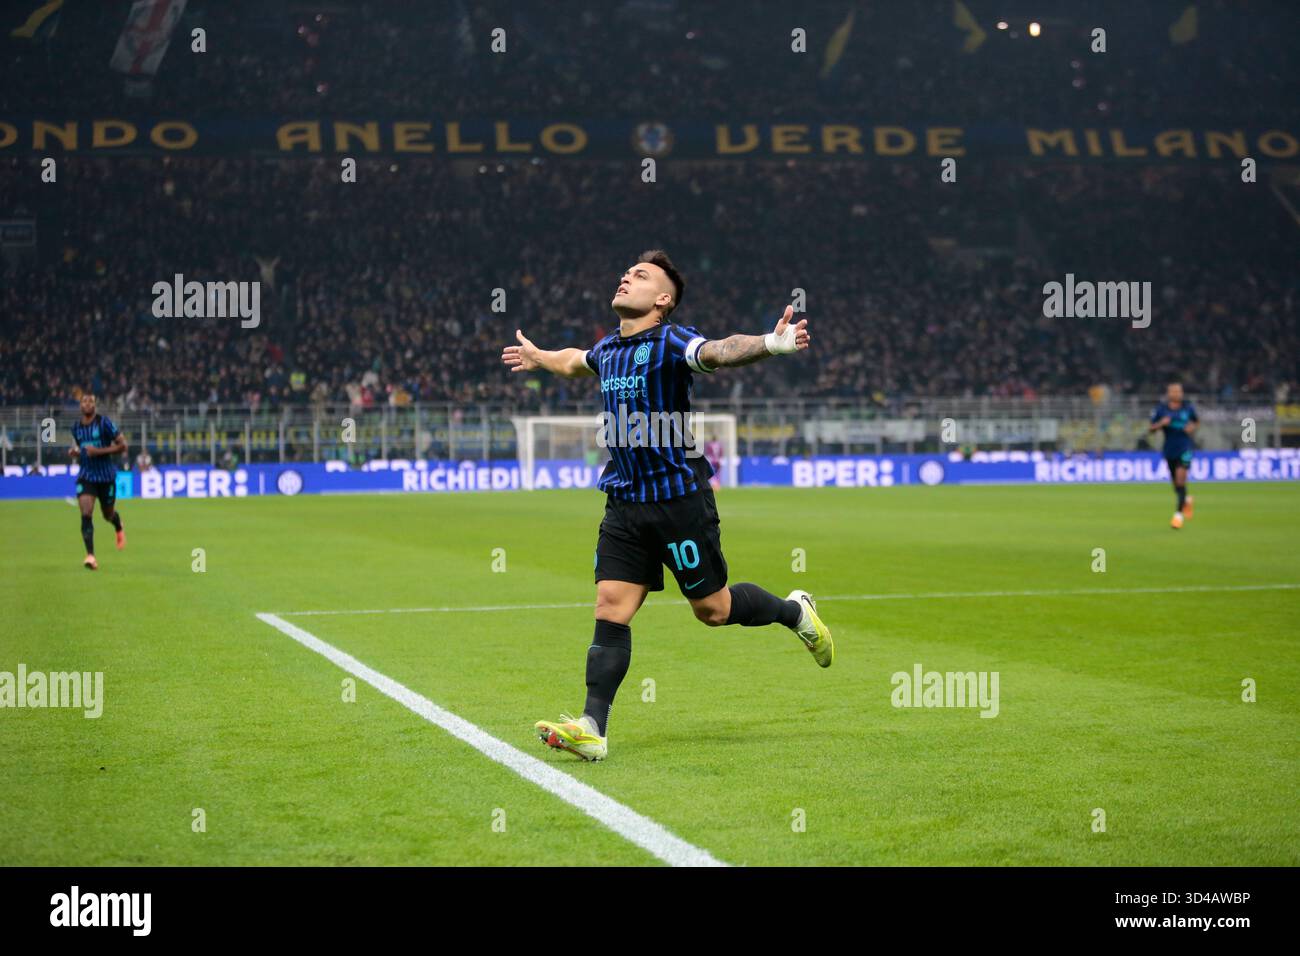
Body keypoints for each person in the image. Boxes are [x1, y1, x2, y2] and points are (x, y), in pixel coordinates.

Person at [501, 250, 833, 761]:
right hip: (624, 503)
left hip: (678, 501)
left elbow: (721, 351)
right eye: (626, 272)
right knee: (611, 605)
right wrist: (540, 357)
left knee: (713, 611)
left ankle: (796, 613)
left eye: (639, 276)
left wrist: (771, 343)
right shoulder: (609, 349)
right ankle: (592, 727)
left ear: (662, 300)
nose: (625, 277)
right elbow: (573, 361)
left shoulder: (671, 341)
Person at [69, 393, 127, 569]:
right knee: (86, 513)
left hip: (106, 477)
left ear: (95, 405)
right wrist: (77, 453)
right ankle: (91, 556)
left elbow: (123, 446)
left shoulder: (104, 423)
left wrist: (98, 451)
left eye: (90, 401)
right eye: (84, 401)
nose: (87, 404)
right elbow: (84, 449)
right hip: (86, 476)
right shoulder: (76, 428)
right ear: (80, 405)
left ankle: (118, 525)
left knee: (107, 514)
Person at [1148, 382, 1199, 529]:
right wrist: (1161, 424)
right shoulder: (1161, 409)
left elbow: (1196, 421)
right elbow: (1151, 428)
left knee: (1181, 478)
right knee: (1176, 484)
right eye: (1173, 391)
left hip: (1185, 448)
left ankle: (1178, 516)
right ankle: (1187, 500)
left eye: (1179, 391)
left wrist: (1192, 427)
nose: (1176, 394)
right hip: (1169, 449)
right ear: (1168, 393)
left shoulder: (1188, 407)